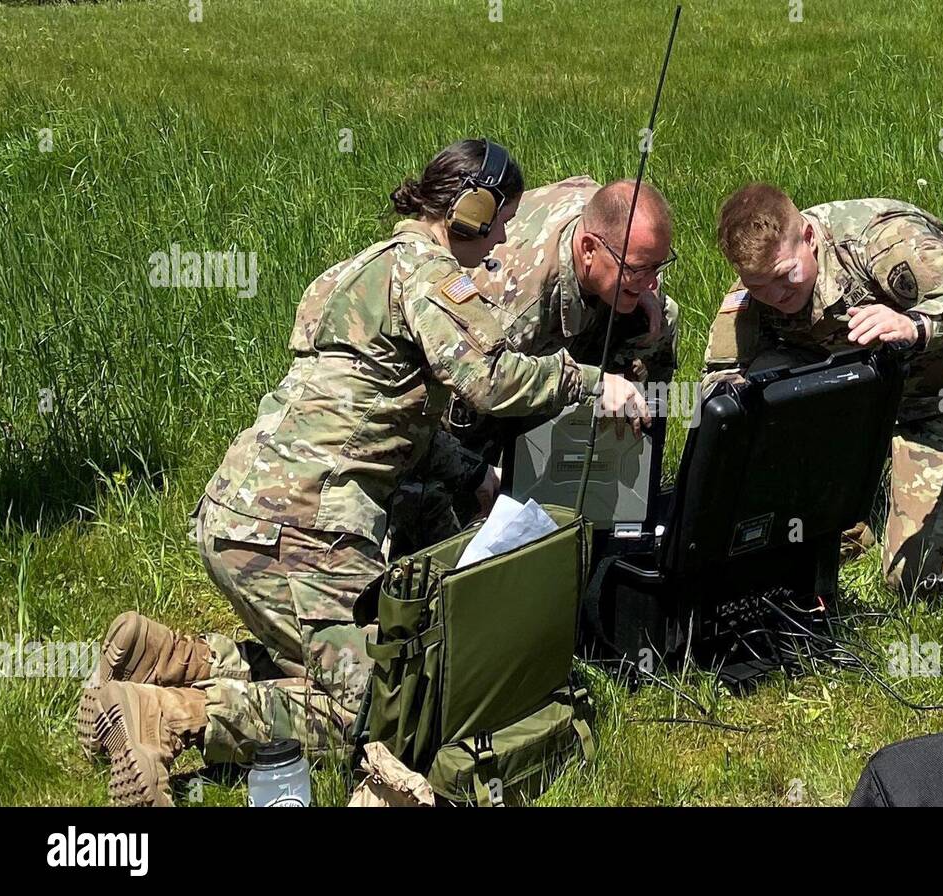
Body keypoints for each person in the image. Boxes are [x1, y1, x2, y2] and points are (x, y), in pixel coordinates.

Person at [78, 139, 651, 806]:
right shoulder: (433, 277)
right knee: (378, 703)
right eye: (499, 220)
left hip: (243, 512)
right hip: (302, 531)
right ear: (469, 208)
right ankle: (170, 719)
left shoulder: (360, 271)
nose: (501, 240)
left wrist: (471, 475)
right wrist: (588, 382)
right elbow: (489, 381)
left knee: (345, 660)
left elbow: (383, 413)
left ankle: (172, 659)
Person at [703, 183, 943, 594]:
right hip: (870, 409)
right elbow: (721, 381)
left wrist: (915, 324)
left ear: (809, 239)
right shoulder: (756, 282)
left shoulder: (878, 240)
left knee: (925, 576)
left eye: (784, 277)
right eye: (758, 286)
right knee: (801, 543)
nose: (775, 296)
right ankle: (870, 500)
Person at [449, 175, 678, 456]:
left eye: (657, 267)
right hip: (476, 377)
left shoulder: (613, 227)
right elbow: (472, 394)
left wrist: (639, 289)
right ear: (589, 249)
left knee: (663, 315)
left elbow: (628, 237)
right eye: (639, 269)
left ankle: (640, 451)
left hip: (575, 293)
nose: (653, 281)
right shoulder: (517, 313)